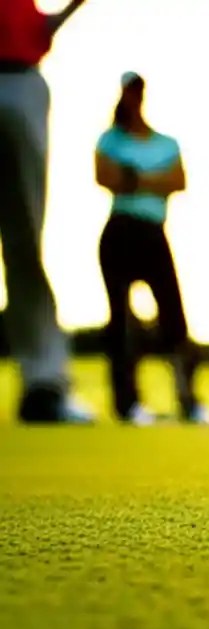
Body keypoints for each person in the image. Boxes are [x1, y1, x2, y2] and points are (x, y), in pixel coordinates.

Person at [93, 73, 209, 425]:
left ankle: (188, 400)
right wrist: (152, 180)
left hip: (154, 234)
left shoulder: (166, 142)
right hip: (120, 232)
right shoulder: (109, 139)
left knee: (174, 318)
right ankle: (127, 404)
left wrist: (134, 177)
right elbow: (107, 178)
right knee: (121, 323)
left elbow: (178, 181)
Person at [0, 0, 92, 424]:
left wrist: (49, 22)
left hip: (18, 74)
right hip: (19, 79)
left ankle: (43, 385)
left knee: (24, 237)